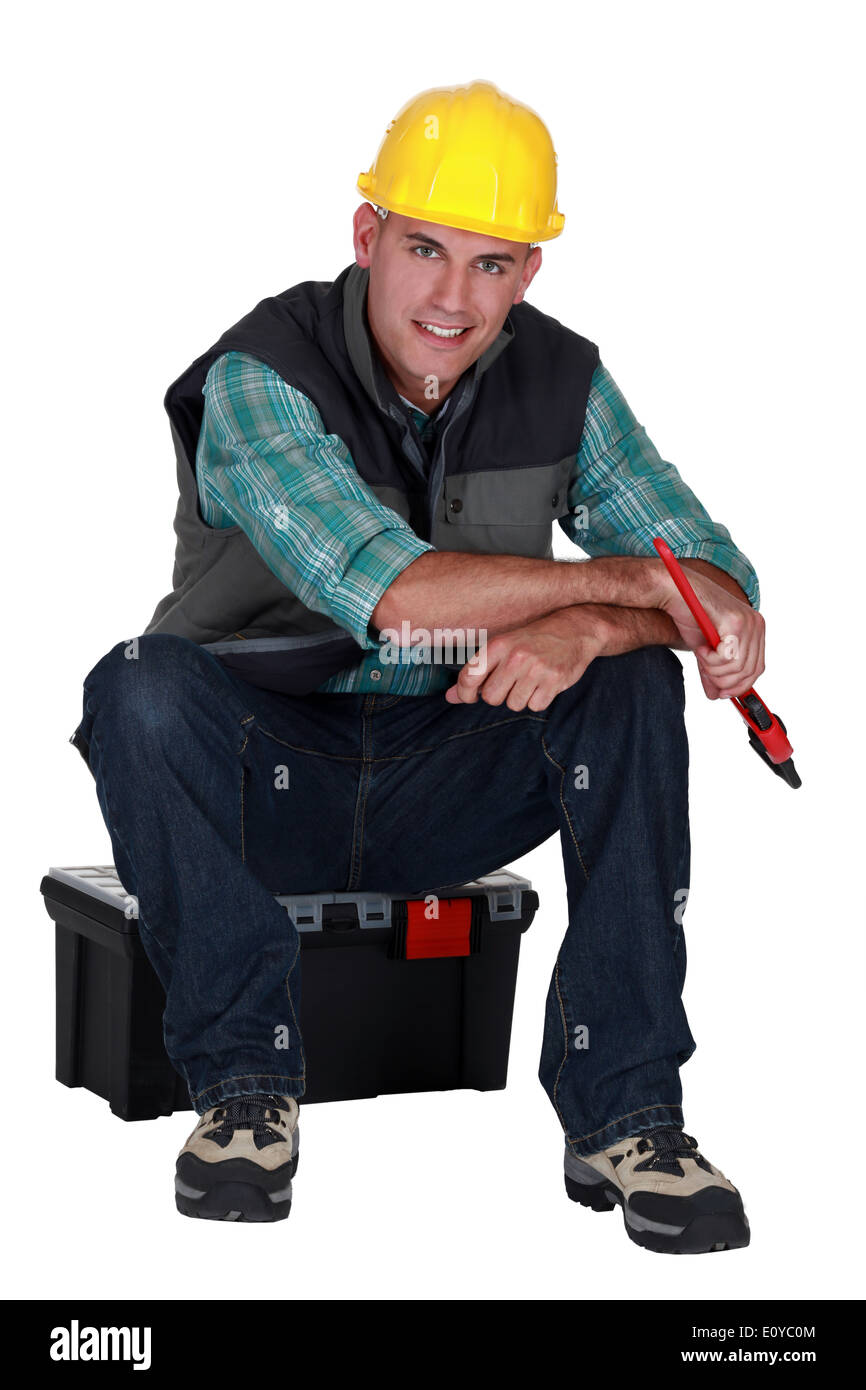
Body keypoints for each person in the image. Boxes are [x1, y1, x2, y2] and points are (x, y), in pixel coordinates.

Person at [70, 79, 763, 1249]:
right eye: (425, 249)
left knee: (633, 679)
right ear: (366, 237)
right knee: (133, 686)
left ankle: (624, 1113)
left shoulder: (562, 382)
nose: (453, 296)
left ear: (528, 275)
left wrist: (598, 627)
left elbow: (717, 584)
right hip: (255, 776)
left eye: (492, 263)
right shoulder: (262, 378)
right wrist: (642, 587)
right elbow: (391, 592)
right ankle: (245, 1092)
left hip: (448, 767)